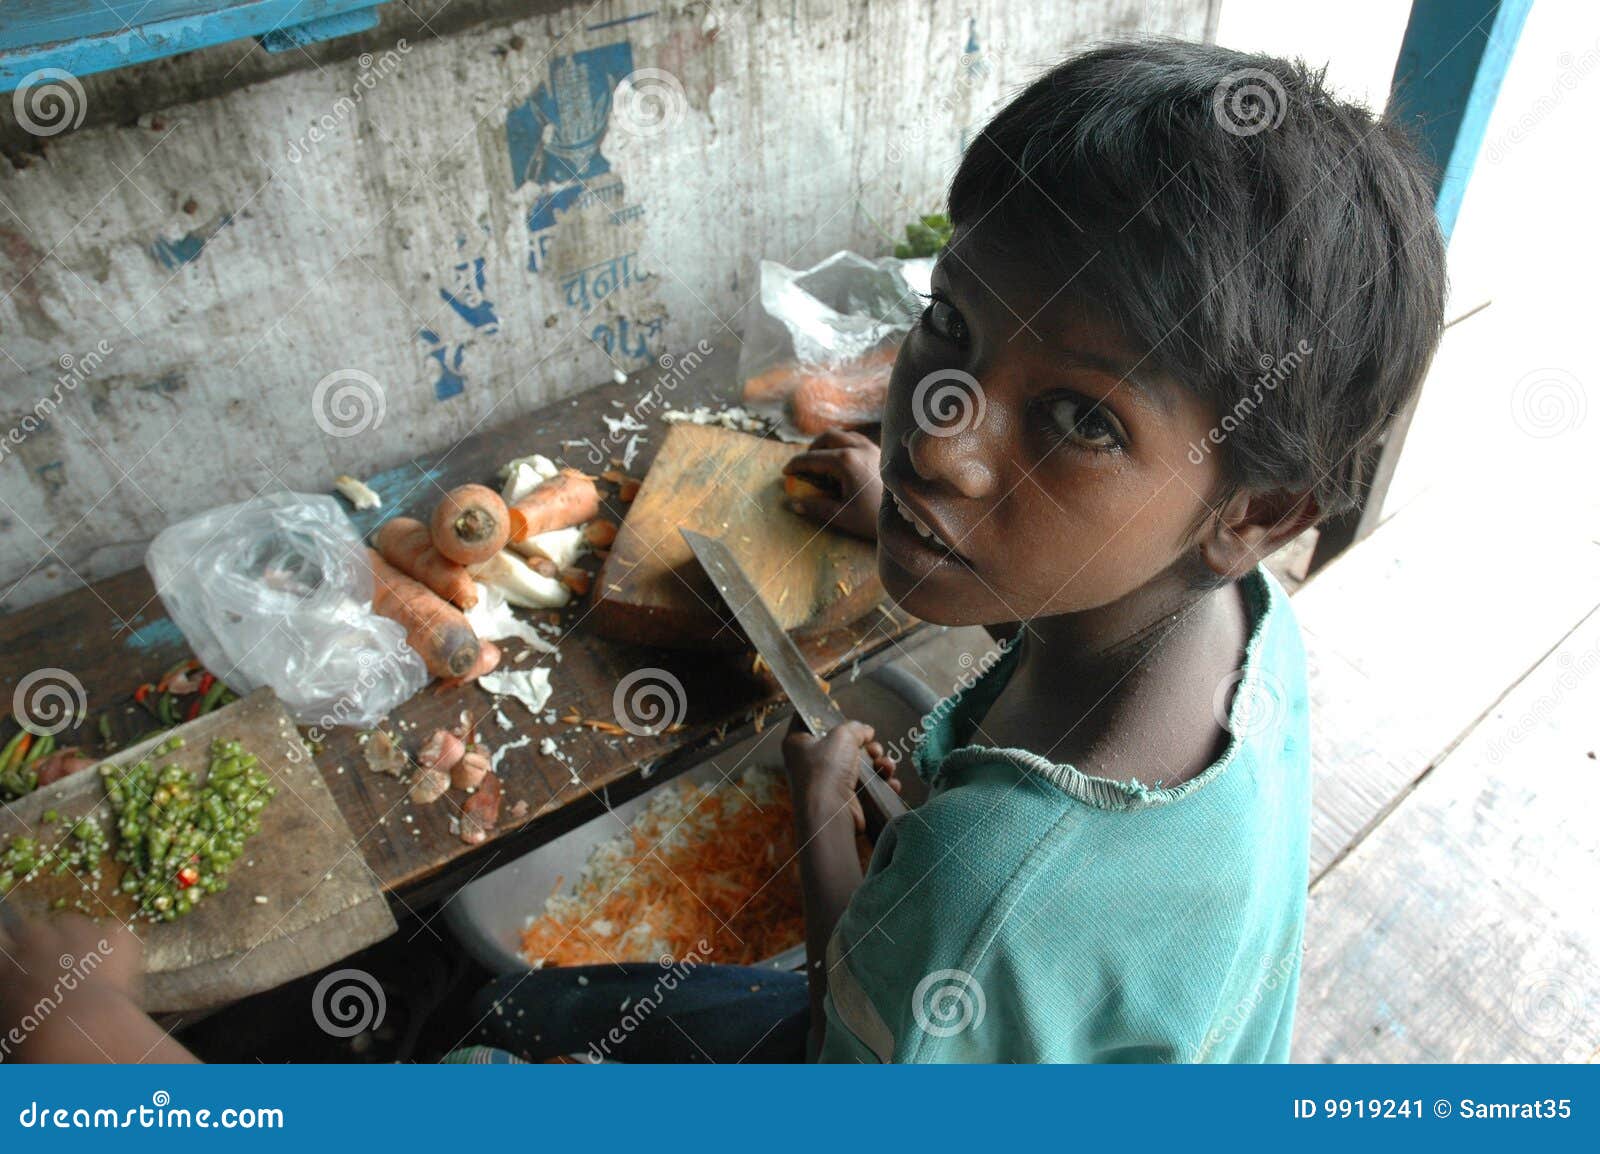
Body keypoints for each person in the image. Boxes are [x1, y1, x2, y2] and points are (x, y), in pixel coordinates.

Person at [775, 40, 1445, 1062]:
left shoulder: (977, 891)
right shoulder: (1249, 625)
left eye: (1083, 419)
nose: (939, 440)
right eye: (949, 320)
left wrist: (825, 814)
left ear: (1258, 512)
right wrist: (900, 517)